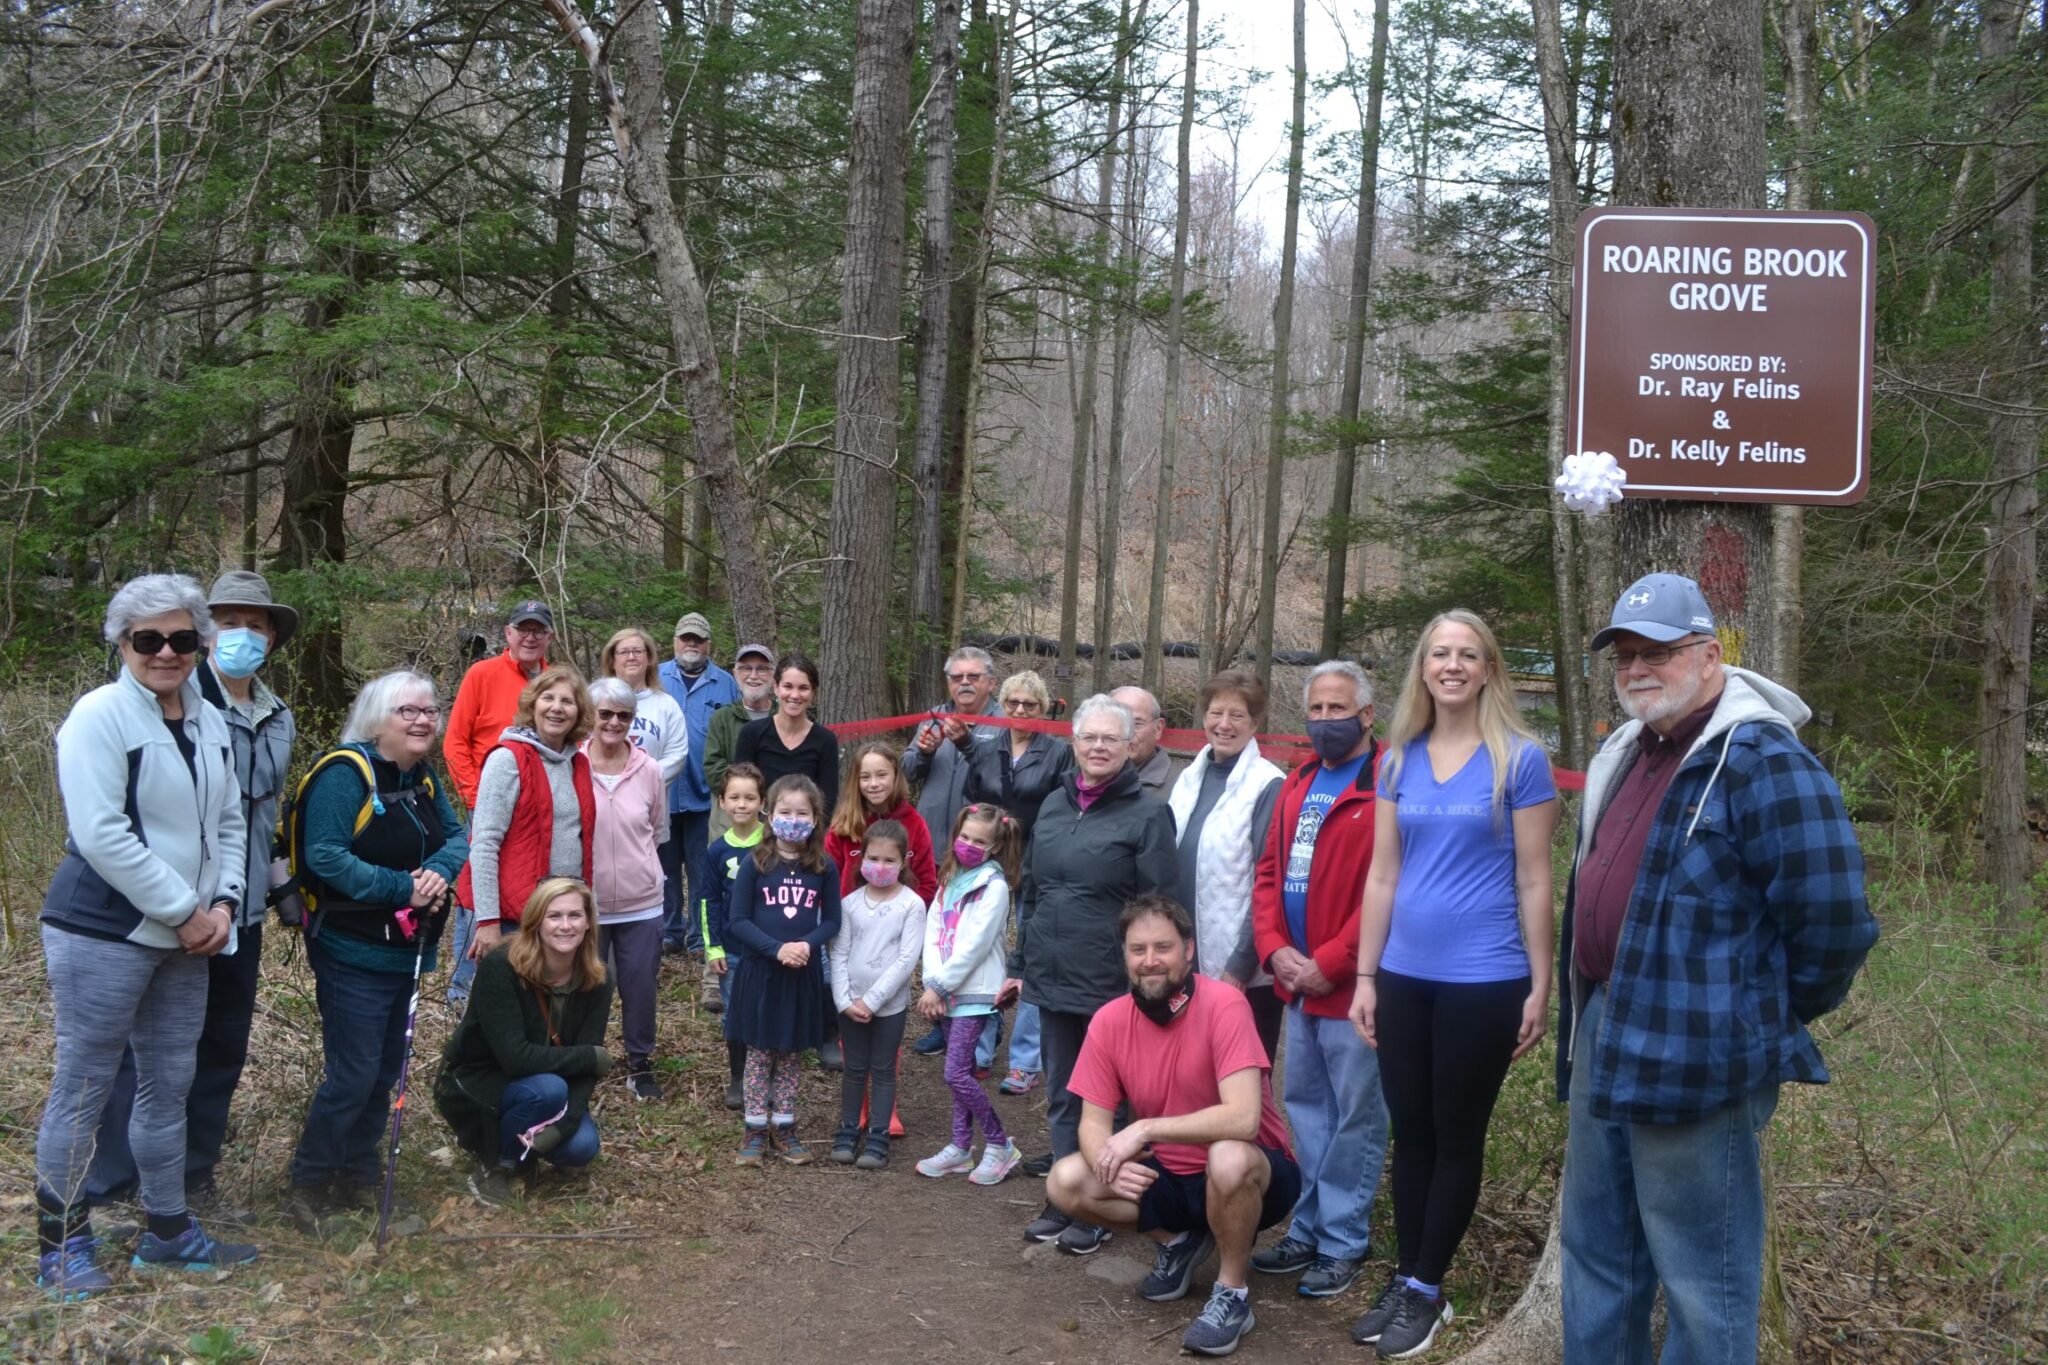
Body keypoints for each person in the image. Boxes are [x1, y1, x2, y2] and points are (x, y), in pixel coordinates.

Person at [1557, 574, 1876, 1365]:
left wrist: (1754, 1014)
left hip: (1701, 1050)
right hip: (1603, 1022)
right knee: (1597, 1252)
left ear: (1709, 654)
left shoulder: (1763, 757)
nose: (1638, 667)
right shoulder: (1629, 751)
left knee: (1706, 1281)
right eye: (1626, 653)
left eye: (1658, 651)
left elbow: (1834, 920)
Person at [34, 574, 255, 1298]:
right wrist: (183, 909)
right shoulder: (98, 717)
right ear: (122, 642)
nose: (166, 652)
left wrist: (222, 904)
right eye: (148, 639)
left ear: (200, 643)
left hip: (188, 935)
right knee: (87, 1084)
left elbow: (227, 821)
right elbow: (101, 832)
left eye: (182, 638)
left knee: (169, 1084)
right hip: (103, 927)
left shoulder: (208, 719)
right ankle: (61, 1245)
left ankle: (168, 1231)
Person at [1347, 610, 1559, 1357]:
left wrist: (1541, 982)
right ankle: (1406, 1276)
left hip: (1486, 977)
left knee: (1457, 1135)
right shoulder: (1397, 759)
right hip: (1404, 975)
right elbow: (1382, 873)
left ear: (1489, 669)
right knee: (1413, 1135)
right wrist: (1365, 975)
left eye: (1468, 654)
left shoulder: (1520, 759)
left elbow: (1536, 879)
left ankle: (1430, 1290)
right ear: (1423, 667)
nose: (1453, 664)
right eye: (1440, 652)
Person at [87, 570, 298, 1218]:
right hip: (162, 912)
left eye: (254, 625)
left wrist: (278, 891)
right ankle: (118, 1183)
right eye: (228, 622)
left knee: (220, 1047)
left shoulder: (278, 715)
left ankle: (192, 1175)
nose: (241, 635)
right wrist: (183, 907)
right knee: (145, 1051)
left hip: (239, 911)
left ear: (270, 638)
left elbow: (261, 817)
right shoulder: (176, 697)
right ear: (207, 635)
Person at [1046, 896, 1302, 1358]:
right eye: (1137, 949)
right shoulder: (1108, 1022)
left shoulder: (1225, 1005)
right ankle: (1179, 1243)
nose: (1150, 961)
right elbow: (1092, 1126)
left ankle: (1232, 1293)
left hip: (1254, 1175)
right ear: (1124, 955)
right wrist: (1105, 1162)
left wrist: (1144, 1131)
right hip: (1170, 1178)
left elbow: (1243, 1118)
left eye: (1162, 947)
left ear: (1188, 949)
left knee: (1227, 1156)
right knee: (1065, 1181)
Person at [284, 671, 469, 1229]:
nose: (421, 721)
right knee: (354, 1071)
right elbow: (325, 856)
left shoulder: (421, 777)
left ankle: (359, 1176)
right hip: (350, 950)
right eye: (406, 711)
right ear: (377, 717)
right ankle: (310, 1184)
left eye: (429, 711)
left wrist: (436, 874)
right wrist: (402, 889)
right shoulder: (347, 774)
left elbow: (457, 836)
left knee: (385, 1068)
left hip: (403, 951)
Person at [1013, 694, 1180, 1254]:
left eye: (1112, 738)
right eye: (1090, 738)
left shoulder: (1148, 813)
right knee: (1063, 1091)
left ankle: (1105, 1204)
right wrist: (1022, 960)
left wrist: (1153, 977)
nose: (1100, 747)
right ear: (1075, 743)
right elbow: (1032, 889)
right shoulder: (1055, 807)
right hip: (1052, 973)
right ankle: (1067, 1191)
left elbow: (1159, 906)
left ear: (1130, 744)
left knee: (1111, 1099)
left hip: (1113, 984)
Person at [1248, 660, 1392, 1302]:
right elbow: (1269, 873)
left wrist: (1329, 962)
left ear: (1367, 714)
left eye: (1340, 709)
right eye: (1318, 710)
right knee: (1307, 1111)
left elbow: (1391, 888)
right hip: (1294, 982)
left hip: (1352, 988)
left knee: (1355, 1117)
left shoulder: (1388, 780)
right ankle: (1305, 1228)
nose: (1327, 721)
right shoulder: (1297, 782)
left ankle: (1342, 1242)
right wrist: (1273, 947)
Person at [434, 879, 614, 1205]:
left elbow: (588, 1067)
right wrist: (590, 1057)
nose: (565, 925)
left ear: (588, 923)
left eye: (575, 915)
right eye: (554, 916)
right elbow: (516, 1058)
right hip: (479, 1081)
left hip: (546, 1084)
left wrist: (567, 1123)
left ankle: (527, 1144)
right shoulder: (502, 966)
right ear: (536, 921)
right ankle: (498, 1165)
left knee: (581, 1146)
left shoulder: (597, 977)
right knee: (548, 1090)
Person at [1167, 669, 1286, 1062]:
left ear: (1255, 723)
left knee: (1242, 1075)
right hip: (1187, 955)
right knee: (1191, 1068)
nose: (1224, 724)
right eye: (1216, 712)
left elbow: (1268, 882)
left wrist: (1241, 964)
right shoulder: (1188, 777)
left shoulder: (1268, 785)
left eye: (1237, 715)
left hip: (1241, 968)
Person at [723, 774, 842, 1165]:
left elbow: (832, 922)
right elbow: (738, 920)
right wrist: (777, 950)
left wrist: (805, 945)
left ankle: (785, 1126)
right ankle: (755, 1128)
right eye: (785, 812)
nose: (794, 819)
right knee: (758, 1054)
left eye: (802, 813)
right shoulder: (754, 864)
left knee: (791, 1053)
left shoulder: (823, 867)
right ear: (769, 815)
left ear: (815, 818)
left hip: (801, 975)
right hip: (761, 974)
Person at [443, 598, 553, 1002]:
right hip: (488, 806)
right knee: (478, 893)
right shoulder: (482, 674)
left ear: (549, 638)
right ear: (507, 634)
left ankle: (521, 985)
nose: (529, 636)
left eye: (538, 630)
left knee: (531, 893)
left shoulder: (556, 681)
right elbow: (455, 742)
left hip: (539, 816)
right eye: (522, 629)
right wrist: (477, 798)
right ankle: (464, 990)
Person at [913, 803, 1026, 1187]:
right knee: (955, 1071)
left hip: (974, 993)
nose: (969, 845)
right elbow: (933, 930)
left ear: (994, 847)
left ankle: (998, 1142)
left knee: (955, 1072)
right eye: (964, 837)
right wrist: (932, 982)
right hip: (943, 991)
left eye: (979, 841)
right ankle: (961, 1147)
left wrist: (940, 985)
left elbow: (975, 945)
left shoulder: (993, 887)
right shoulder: (950, 879)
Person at [962, 669, 1063, 1095]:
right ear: (1002, 705)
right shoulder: (987, 749)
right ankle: (980, 1048)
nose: (1020, 711)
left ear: (1043, 709)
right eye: (1013, 703)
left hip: (1038, 865)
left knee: (1031, 955)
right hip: (990, 866)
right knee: (985, 952)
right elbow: (971, 803)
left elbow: (1063, 807)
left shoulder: (1059, 753)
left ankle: (1025, 1060)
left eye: (1030, 704)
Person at [457, 664, 596, 965]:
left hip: (560, 919)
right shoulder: (508, 759)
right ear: (533, 705)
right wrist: (488, 921)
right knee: (504, 1006)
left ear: (579, 711)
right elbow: (484, 844)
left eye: (567, 701)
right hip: (512, 917)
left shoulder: (578, 765)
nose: (556, 708)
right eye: (548, 698)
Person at [584, 676, 672, 1103]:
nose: (614, 723)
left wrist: (637, 868)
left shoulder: (649, 769)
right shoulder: (572, 766)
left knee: (639, 985)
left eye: (623, 715)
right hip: (586, 904)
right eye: (605, 714)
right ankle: (585, 1059)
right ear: (591, 716)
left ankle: (640, 1064)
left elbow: (656, 829)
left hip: (642, 904)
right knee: (587, 985)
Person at [828, 820, 926, 1169]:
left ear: (904, 862)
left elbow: (905, 960)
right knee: (854, 1069)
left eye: (889, 860)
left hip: (889, 1007)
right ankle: (848, 1129)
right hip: (849, 1004)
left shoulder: (912, 905)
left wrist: (872, 1001)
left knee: (883, 1069)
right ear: (861, 859)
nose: (880, 867)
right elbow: (838, 953)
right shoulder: (850, 903)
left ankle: (879, 1135)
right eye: (873, 858)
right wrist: (844, 1000)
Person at [658, 612, 739, 956]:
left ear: (708, 645)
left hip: (705, 797)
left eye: (698, 639)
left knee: (701, 869)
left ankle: (697, 936)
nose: (691, 644)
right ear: (675, 641)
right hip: (660, 794)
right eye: (685, 638)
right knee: (664, 869)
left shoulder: (726, 684)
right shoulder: (656, 677)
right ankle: (669, 932)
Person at [701, 763, 766, 1107]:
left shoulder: (773, 845)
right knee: (735, 1014)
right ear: (722, 802)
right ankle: (738, 1078)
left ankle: (766, 1075)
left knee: (766, 1010)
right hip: (733, 950)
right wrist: (713, 949)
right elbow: (707, 900)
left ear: (761, 801)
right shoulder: (716, 851)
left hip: (768, 949)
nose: (742, 804)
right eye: (734, 797)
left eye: (749, 797)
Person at [903, 644, 1003, 844]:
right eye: (957, 678)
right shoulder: (935, 716)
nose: (965, 682)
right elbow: (907, 771)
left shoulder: (1004, 722)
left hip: (977, 843)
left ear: (991, 683)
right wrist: (925, 754)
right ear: (949, 683)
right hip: (929, 839)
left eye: (973, 677)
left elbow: (1004, 781)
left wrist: (969, 745)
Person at [826, 740, 939, 902]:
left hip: (900, 922)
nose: (874, 784)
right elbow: (827, 878)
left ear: (895, 775)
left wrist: (908, 915)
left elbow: (926, 884)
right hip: (849, 920)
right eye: (865, 777)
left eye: (881, 775)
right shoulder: (845, 823)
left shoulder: (915, 824)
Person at [734, 651, 842, 796]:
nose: (795, 695)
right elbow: (742, 792)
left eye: (803, 688)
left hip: (808, 818)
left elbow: (828, 801)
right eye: (788, 686)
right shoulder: (751, 734)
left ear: (813, 693)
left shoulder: (825, 741)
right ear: (776, 687)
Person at [600, 628, 689, 795]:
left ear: (648, 658)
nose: (631, 657)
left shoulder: (666, 705)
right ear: (612, 660)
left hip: (650, 802)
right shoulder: (595, 700)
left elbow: (676, 756)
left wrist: (639, 781)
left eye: (637, 651)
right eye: (624, 652)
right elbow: (584, 747)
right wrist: (610, 782)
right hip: (603, 797)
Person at [703, 641, 776, 807]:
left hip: (777, 809)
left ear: (773, 676)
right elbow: (713, 768)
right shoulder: (722, 718)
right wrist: (748, 796)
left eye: (762, 669)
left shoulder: (783, 716)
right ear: (735, 673)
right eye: (746, 668)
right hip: (731, 814)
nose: (753, 675)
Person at [1111, 684, 1181, 796]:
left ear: (1158, 728)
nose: (1125, 733)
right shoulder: (1083, 777)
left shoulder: (1182, 787)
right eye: (1115, 722)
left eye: (1136, 724)